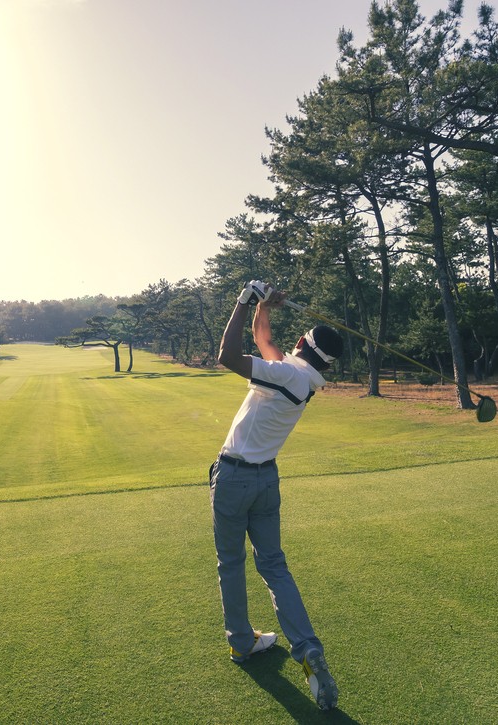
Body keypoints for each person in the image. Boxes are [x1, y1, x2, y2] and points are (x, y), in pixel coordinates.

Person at [210, 280, 344, 712]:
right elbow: (262, 338)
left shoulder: (285, 373)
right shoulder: (302, 378)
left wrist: (243, 300)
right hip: (267, 481)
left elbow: (227, 356)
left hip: (234, 478)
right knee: (273, 566)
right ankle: (307, 648)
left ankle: (241, 642)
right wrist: (264, 306)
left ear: (302, 343)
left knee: (231, 563)